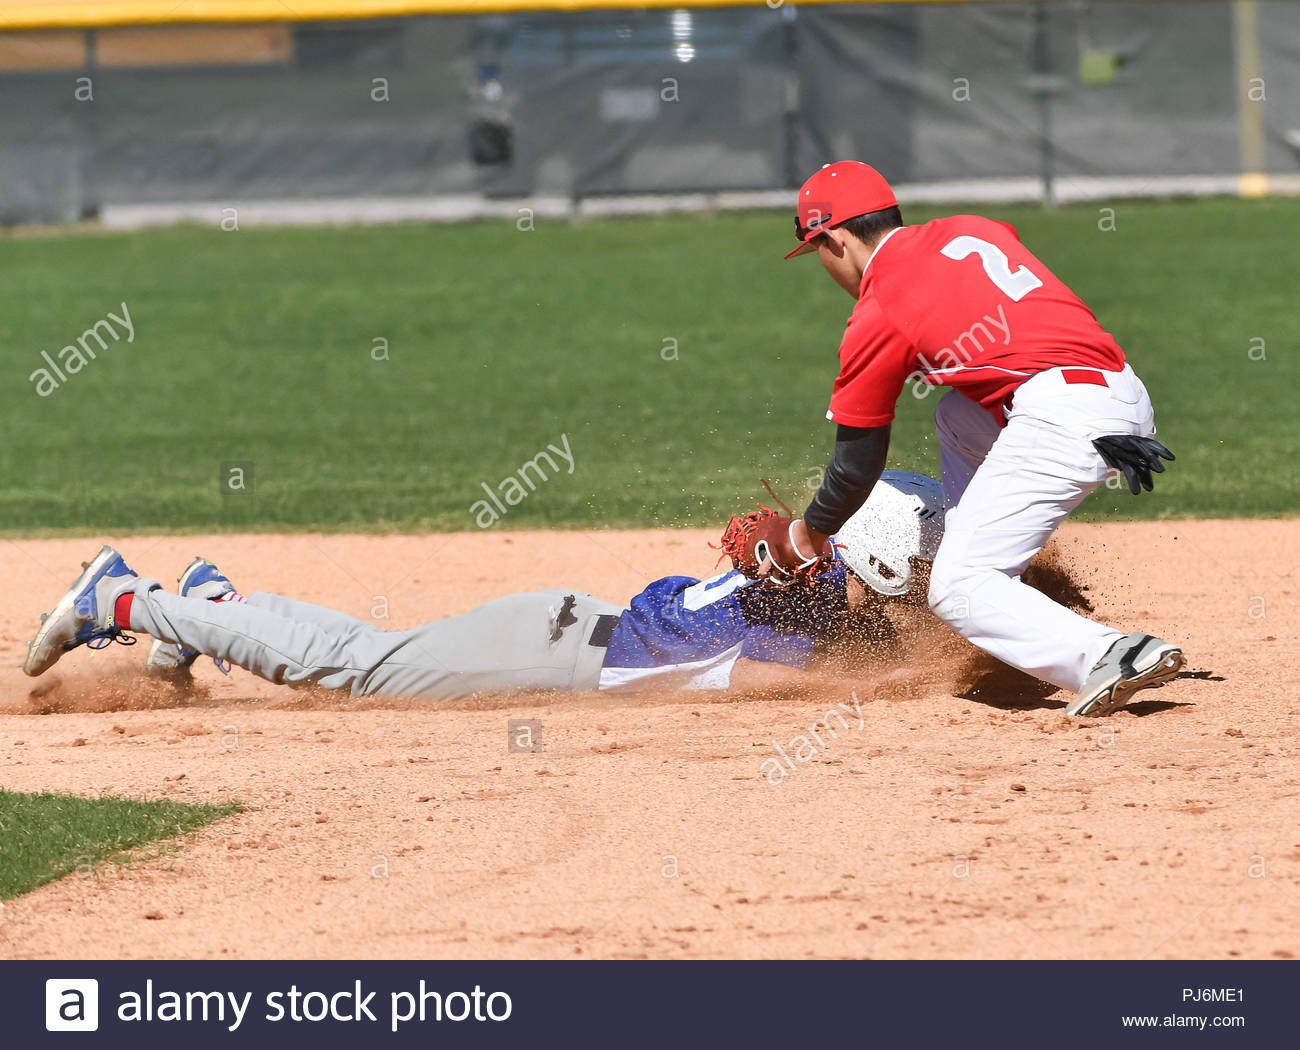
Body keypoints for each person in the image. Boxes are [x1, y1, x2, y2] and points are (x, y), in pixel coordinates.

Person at [768, 161, 1184, 717]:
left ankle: (1106, 653)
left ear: (835, 239)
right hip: (1118, 392)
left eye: (816, 250)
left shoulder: (879, 309)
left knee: (957, 586)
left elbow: (855, 465)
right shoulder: (971, 228)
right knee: (958, 413)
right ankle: (1000, 578)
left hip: (1063, 420)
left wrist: (809, 534)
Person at [22, 473, 944, 702]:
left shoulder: (800, 585)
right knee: (359, 672)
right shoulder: (799, 635)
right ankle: (124, 599)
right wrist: (924, 677)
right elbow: (801, 686)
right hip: (544, 648)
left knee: (362, 650)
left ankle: (211, 606)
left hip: (564, 625)